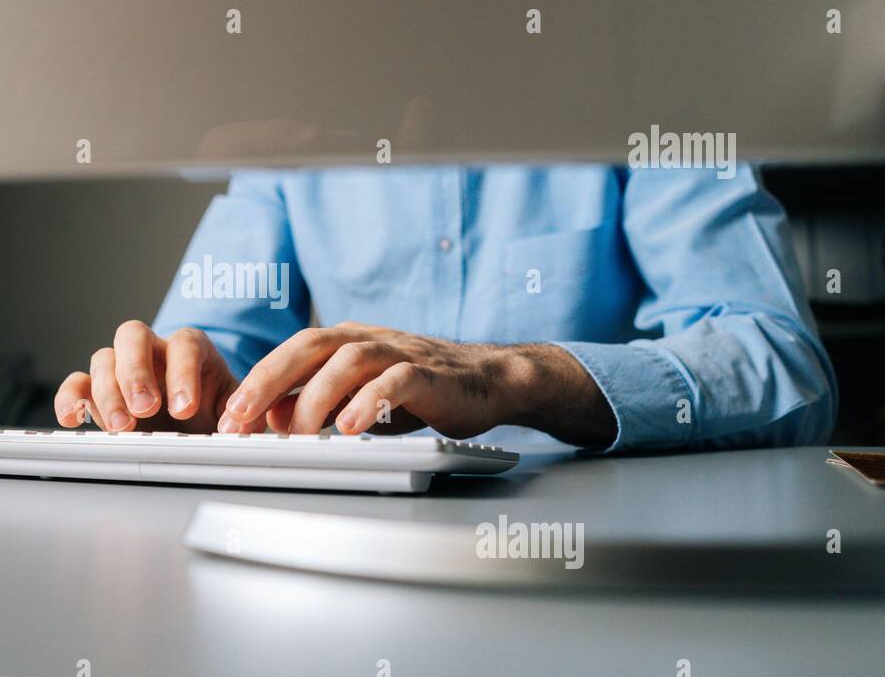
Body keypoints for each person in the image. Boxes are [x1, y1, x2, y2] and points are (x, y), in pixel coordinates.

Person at [54, 165, 836, 451]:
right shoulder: (294, 123)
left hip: (602, 575)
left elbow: (785, 366)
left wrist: (520, 377)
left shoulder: (640, 85)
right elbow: (210, 354)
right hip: (343, 575)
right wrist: (172, 400)